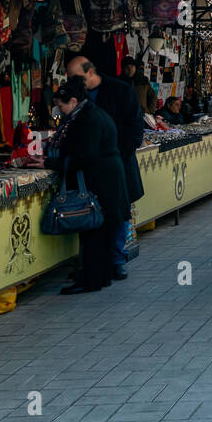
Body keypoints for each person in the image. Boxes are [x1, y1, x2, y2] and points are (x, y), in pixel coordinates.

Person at [48, 76, 131, 295]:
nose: (60, 110)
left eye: (61, 105)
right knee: (100, 233)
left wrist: (54, 162)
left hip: (101, 182)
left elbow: (85, 155)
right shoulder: (93, 113)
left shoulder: (86, 119)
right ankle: (100, 276)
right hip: (108, 180)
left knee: (93, 234)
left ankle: (92, 279)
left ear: (73, 101)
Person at [66, 55, 144, 280]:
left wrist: (119, 155)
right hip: (89, 167)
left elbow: (134, 128)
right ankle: (94, 261)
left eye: (77, 77)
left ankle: (117, 259)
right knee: (91, 212)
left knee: (118, 214)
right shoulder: (75, 96)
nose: (73, 81)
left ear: (91, 72)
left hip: (117, 164)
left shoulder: (121, 90)